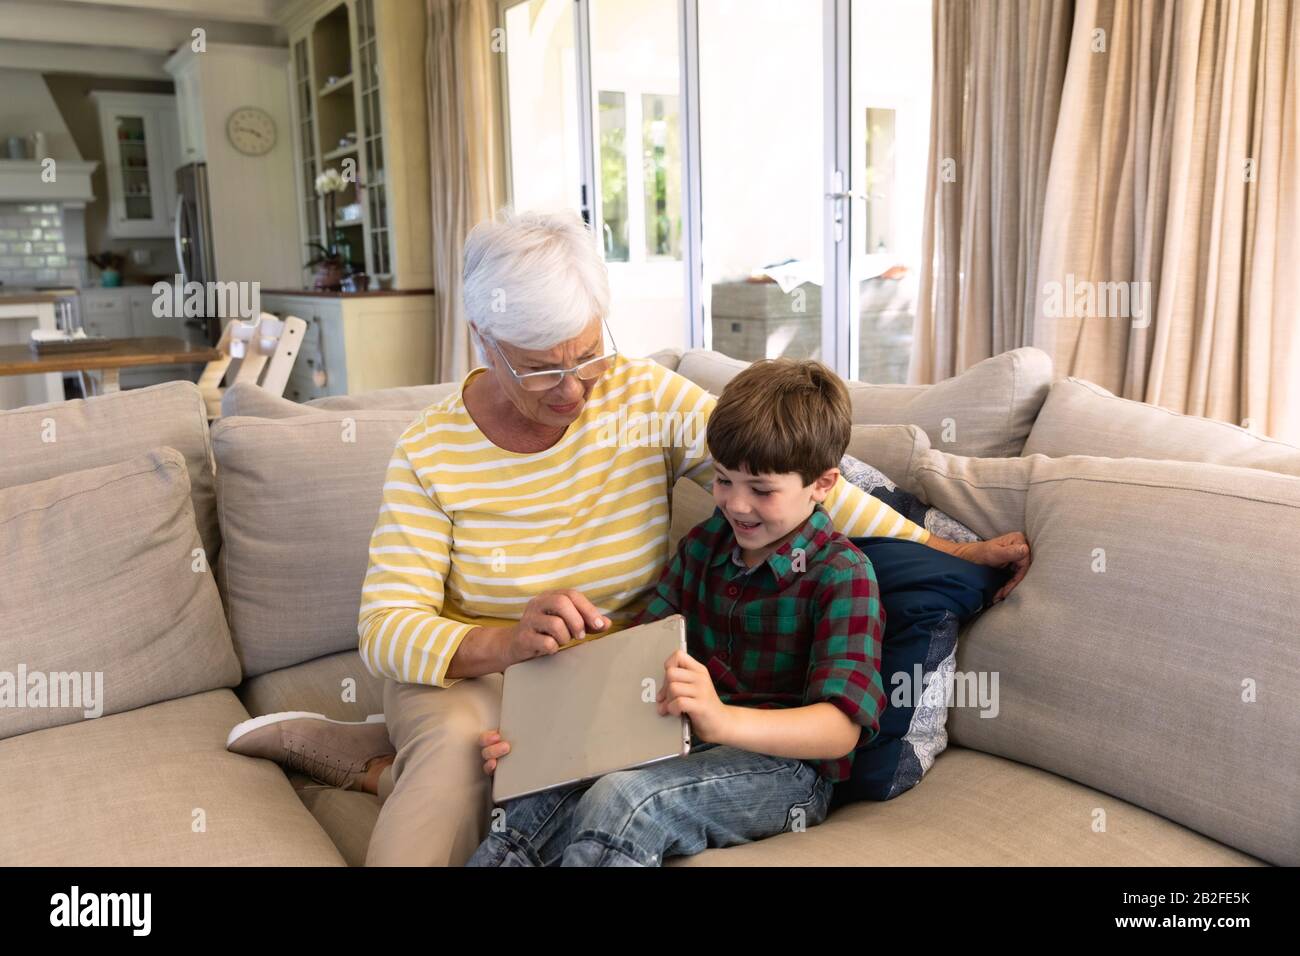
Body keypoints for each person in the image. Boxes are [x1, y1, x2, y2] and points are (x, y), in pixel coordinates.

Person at [226, 209, 1031, 866]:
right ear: (484, 341)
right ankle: (383, 760)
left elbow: (797, 480)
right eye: (544, 369)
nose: (575, 389)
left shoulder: (642, 396)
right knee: (465, 771)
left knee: (555, 788)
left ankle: (378, 767)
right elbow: (386, 631)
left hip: (616, 670)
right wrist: (510, 643)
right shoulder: (431, 451)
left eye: (588, 355)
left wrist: (949, 557)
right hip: (479, 671)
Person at [469, 358, 905, 866]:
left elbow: (839, 731)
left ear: (823, 483)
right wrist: (539, 738)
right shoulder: (703, 547)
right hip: (678, 739)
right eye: (723, 480)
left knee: (627, 801)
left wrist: (720, 720)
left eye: (761, 490)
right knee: (534, 794)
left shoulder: (842, 573)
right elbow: (634, 656)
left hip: (787, 770)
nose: (736, 505)